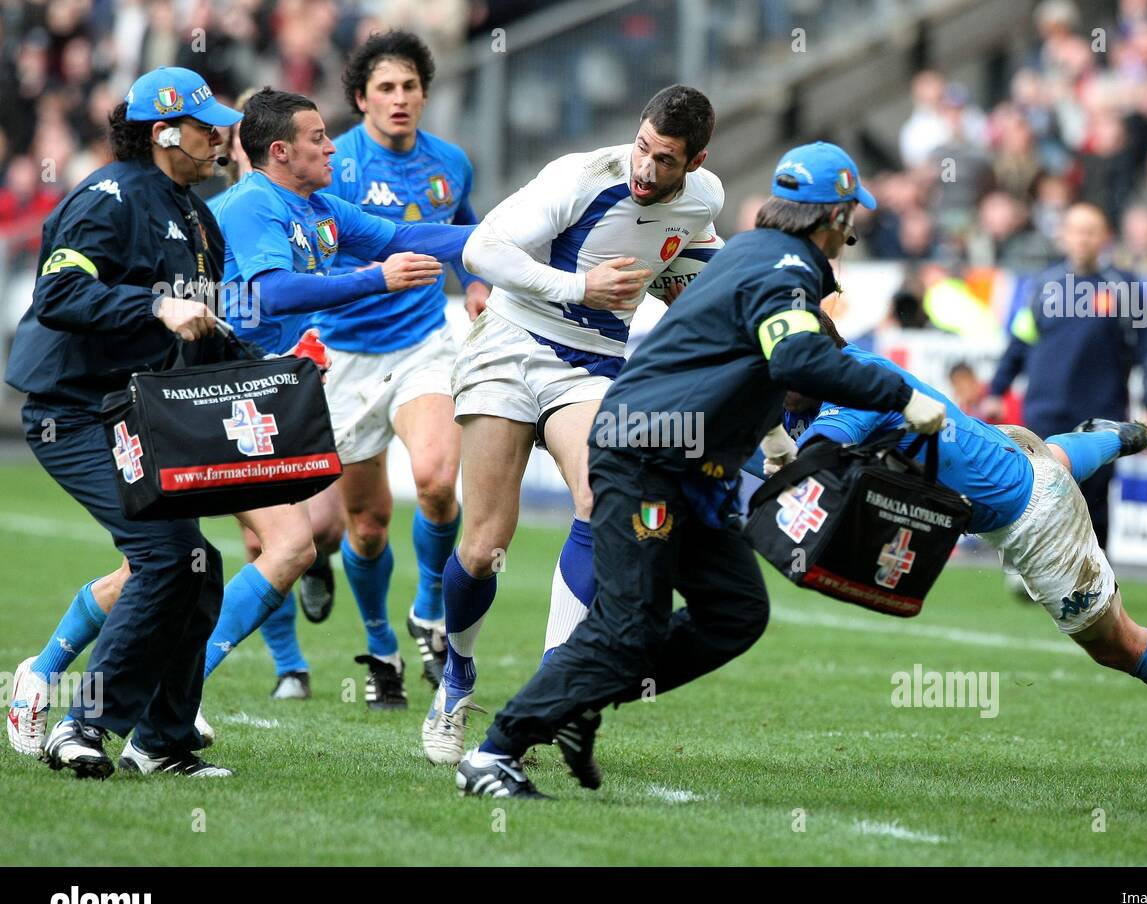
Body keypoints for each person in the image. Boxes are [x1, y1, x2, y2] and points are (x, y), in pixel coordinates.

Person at [452, 142, 949, 798]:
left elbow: (773, 355)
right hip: (647, 463)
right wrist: (901, 395)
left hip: (689, 470)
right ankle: (498, 751)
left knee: (734, 611)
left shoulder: (757, 254)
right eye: (852, 212)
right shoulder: (781, 268)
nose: (854, 226)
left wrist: (779, 439)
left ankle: (574, 699)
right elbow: (796, 356)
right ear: (834, 216)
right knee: (629, 629)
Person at [787, 341, 1147, 781]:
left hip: (1037, 516)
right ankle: (1114, 437)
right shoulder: (826, 372)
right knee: (1047, 457)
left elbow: (806, 469)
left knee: (1119, 645)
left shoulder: (848, 404)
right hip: (1004, 448)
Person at [419, 85, 726, 764]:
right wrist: (576, 289)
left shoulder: (706, 198)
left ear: (695, 161)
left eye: (665, 160)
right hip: (508, 345)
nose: (645, 169)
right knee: (482, 545)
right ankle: (457, 674)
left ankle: (549, 687)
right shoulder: (580, 176)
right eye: (643, 147)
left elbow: (689, 260)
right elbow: (482, 251)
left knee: (599, 502)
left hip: (588, 368)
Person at [3, 67, 244, 778]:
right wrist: (152, 306)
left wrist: (281, 374)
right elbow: (60, 292)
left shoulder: (200, 220)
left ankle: (163, 743)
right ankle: (83, 724)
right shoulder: (107, 197)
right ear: (164, 133)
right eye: (205, 127)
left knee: (199, 568)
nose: (218, 138)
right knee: (166, 556)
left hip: (132, 413)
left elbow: (205, 331)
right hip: (71, 413)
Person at [207, 87, 475, 711]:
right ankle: (270, 670)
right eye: (319, 136)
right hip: (216, 389)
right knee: (244, 551)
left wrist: (532, 235)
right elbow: (272, 295)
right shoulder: (249, 205)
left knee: (294, 543)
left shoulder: (319, 206)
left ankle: (141, 692)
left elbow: (414, 238)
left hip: (268, 385)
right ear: (278, 151)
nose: (333, 145)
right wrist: (371, 280)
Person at [310, 31, 490, 702]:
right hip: (348, 357)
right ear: (360, 99)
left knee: (439, 481)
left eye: (410, 86)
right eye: (385, 88)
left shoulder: (451, 163)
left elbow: (465, 228)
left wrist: (475, 280)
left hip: (423, 345)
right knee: (366, 524)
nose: (400, 98)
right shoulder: (332, 165)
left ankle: (429, 612)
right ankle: (381, 646)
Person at [984, 201, 1147, 550]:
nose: (1082, 239)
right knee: (1038, 497)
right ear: (1063, 237)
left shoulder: (1124, 288)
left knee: (1094, 506)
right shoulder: (1043, 287)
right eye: (1075, 231)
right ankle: (1034, 573)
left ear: (1105, 238)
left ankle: (1096, 588)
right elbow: (1021, 342)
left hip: (1100, 415)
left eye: (1090, 231)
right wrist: (997, 390)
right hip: (1043, 411)